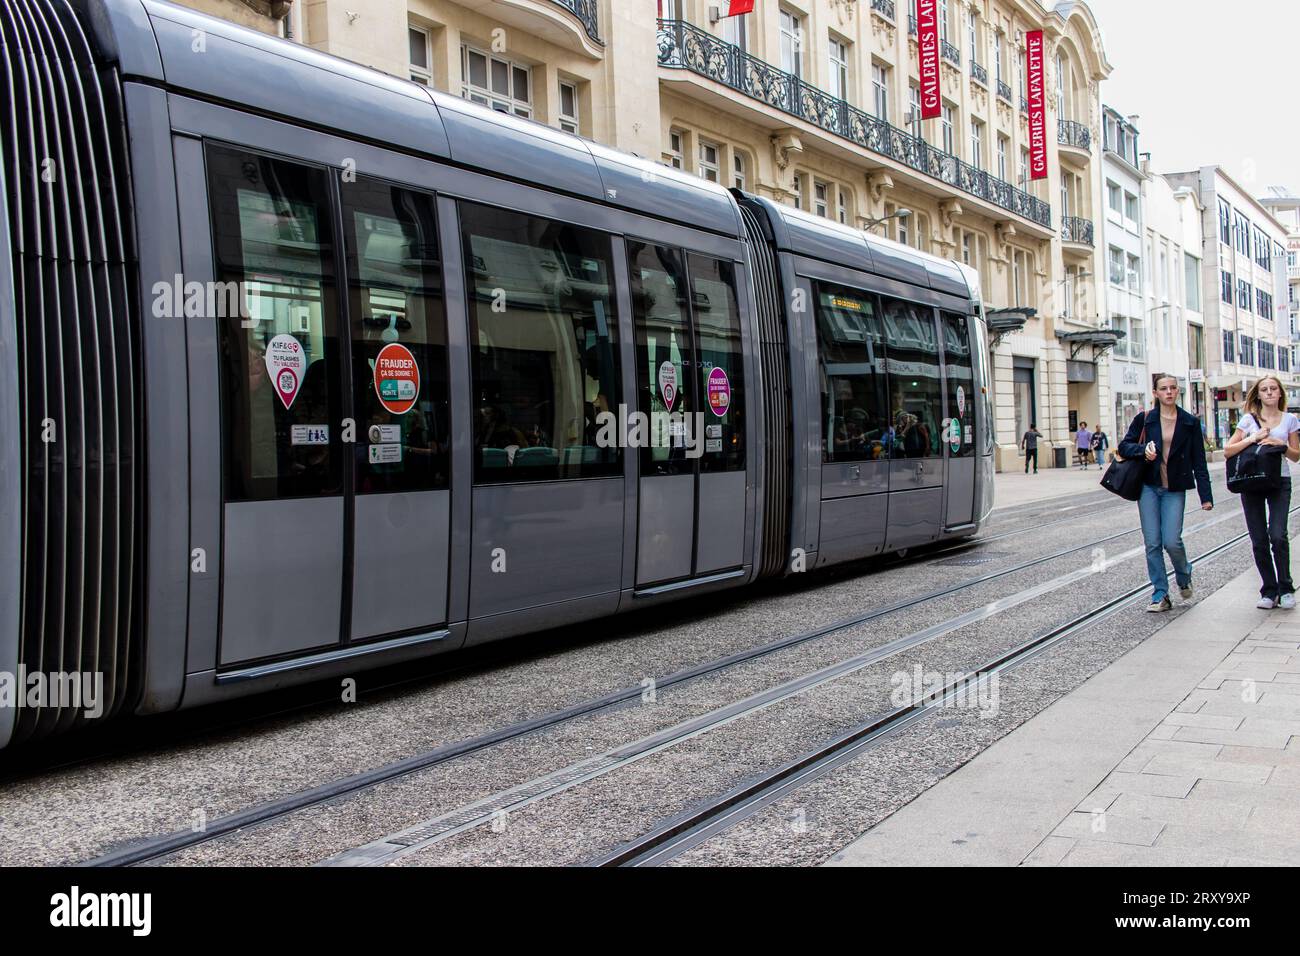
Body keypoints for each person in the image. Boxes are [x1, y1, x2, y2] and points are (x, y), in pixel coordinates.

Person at [1119, 373, 1213, 612]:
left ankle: (1184, 576)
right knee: (1152, 543)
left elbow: (1199, 462)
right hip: (1148, 487)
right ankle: (1160, 594)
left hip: (1174, 488)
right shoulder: (1145, 419)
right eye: (1164, 388)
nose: (1169, 392)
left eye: (1173, 388)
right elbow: (1124, 446)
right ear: (1156, 393)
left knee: (1172, 541)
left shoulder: (1189, 422)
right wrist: (1143, 451)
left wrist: (1206, 496)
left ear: (1177, 391)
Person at [1223, 375, 1300, 609]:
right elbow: (1228, 450)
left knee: (1277, 534)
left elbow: (1296, 455)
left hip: (1280, 481)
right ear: (1258, 394)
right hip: (1252, 482)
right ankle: (1269, 590)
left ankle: (1286, 587)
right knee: (1258, 539)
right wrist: (1253, 438)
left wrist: (1282, 445)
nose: (1268, 393)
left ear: (1279, 393)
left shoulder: (1290, 420)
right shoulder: (1248, 420)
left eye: (1273, 389)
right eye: (1264, 389)